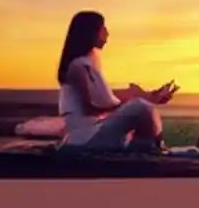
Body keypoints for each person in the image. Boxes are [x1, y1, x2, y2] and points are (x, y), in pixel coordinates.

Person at [57, 10, 179, 152]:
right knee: (142, 107)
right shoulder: (78, 66)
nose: (107, 33)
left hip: (94, 132)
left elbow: (106, 98)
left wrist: (151, 97)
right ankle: (150, 151)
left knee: (143, 105)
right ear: (91, 32)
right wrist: (131, 102)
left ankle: (146, 150)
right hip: (85, 137)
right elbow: (90, 108)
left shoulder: (87, 64)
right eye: (103, 28)